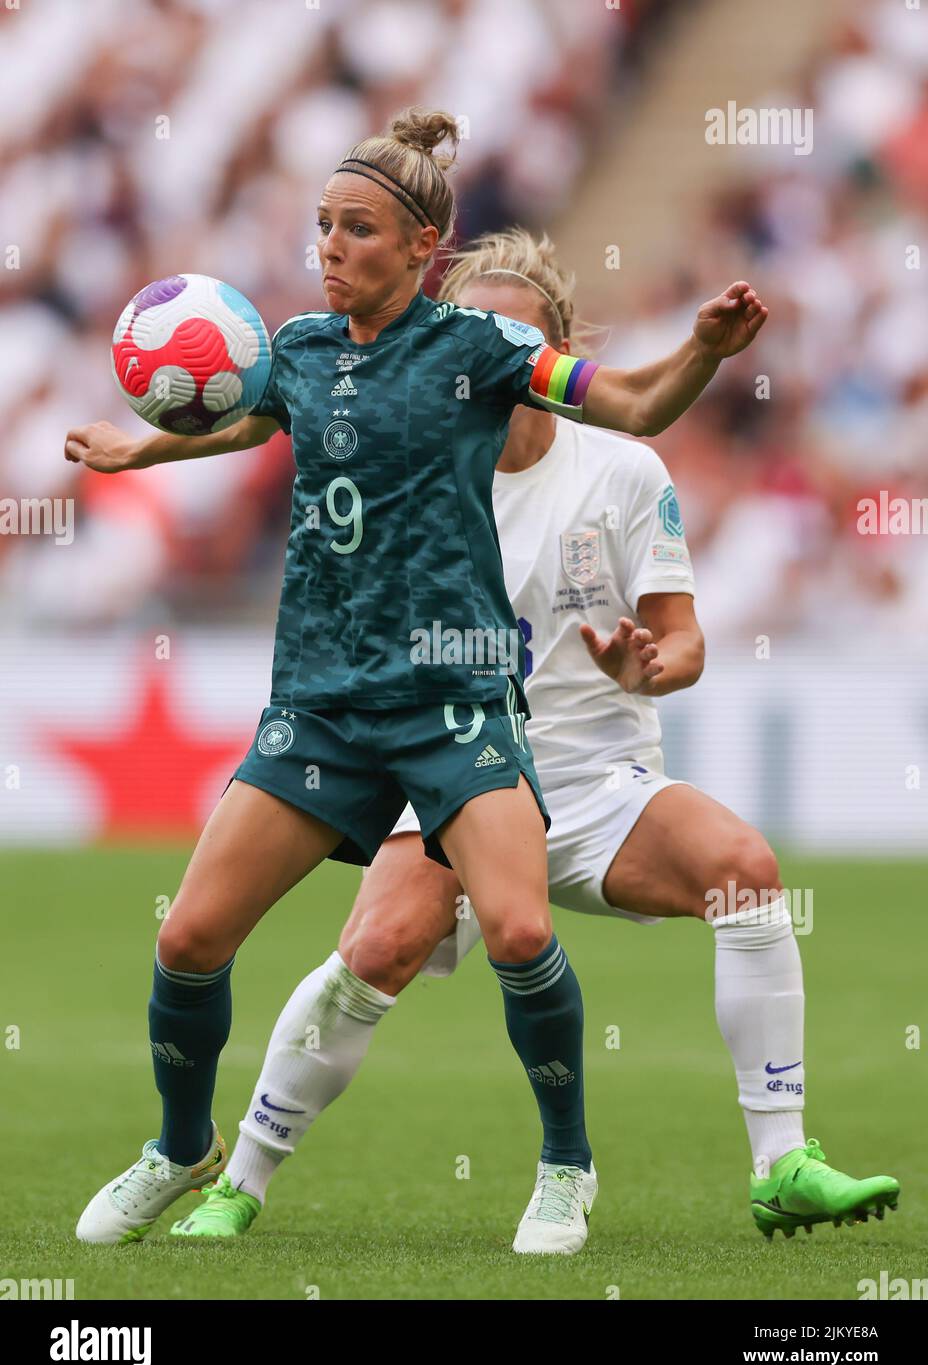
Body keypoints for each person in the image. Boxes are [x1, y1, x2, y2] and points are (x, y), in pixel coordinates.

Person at [66, 109, 769, 1250]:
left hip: (455, 704)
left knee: (516, 932)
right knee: (190, 937)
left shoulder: (478, 352)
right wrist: (138, 446)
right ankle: (179, 1143)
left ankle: (562, 1167)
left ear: (422, 245)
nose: (330, 249)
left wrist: (698, 351)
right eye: (322, 228)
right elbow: (248, 424)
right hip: (322, 706)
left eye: (356, 231)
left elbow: (632, 405)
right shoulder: (294, 348)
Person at [173, 229, 899, 1252]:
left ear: (558, 353)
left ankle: (779, 1161)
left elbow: (683, 641)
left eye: (523, 340)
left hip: (594, 779)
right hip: (450, 773)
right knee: (375, 946)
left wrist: (649, 665)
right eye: (480, 335)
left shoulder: (623, 471)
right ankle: (238, 1177)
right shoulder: (402, 475)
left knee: (744, 869)